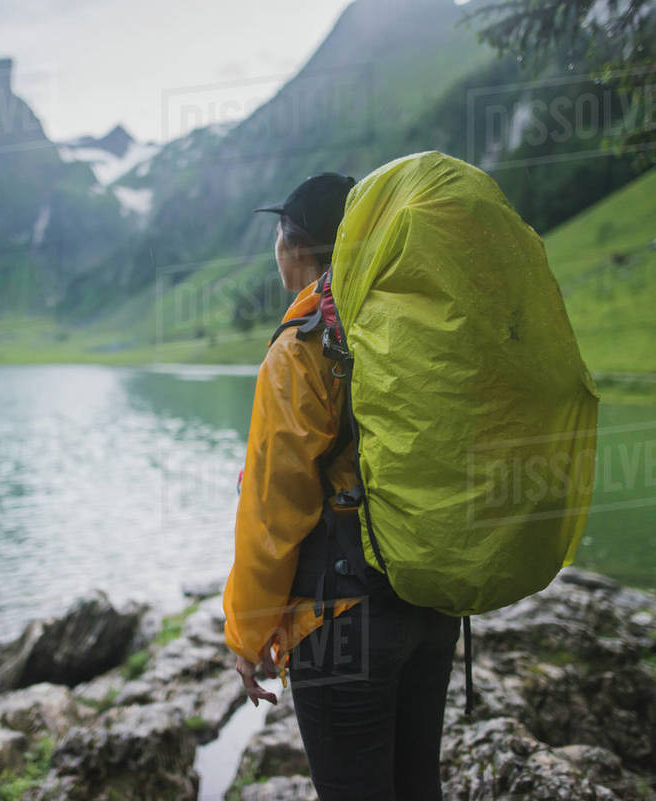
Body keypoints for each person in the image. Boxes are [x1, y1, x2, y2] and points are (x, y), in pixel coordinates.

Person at [223, 173, 461, 801]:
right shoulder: (413, 326)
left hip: (342, 619)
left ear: (296, 249)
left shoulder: (301, 351)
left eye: (279, 236)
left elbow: (275, 509)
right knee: (417, 789)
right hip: (431, 597)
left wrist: (248, 633)